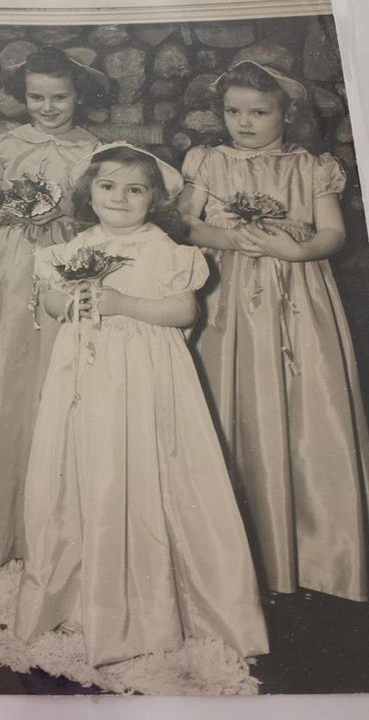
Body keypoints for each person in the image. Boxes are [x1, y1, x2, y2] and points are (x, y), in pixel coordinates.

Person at [15, 144, 269, 667]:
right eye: (108, 186)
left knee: (141, 465)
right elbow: (49, 300)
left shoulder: (165, 250)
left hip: (146, 376)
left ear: (154, 199)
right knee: (87, 465)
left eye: (135, 189)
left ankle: (153, 601)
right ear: (88, 194)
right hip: (84, 375)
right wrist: (69, 301)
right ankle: (79, 589)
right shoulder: (76, 245)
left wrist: (123, 304)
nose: (120, 197)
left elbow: (183, 312)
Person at [178, 60, 369, 600]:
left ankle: (317, 547)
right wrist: (228, 239)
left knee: (305, 399)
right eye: (233, 111)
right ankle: (230, 548)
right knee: (229, 397)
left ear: (288, 113)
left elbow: (333, 233)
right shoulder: (208, 161)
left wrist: (296, 249)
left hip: (298, 298)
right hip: (225, 296)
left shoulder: (312, 168)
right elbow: (185, 222)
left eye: (259, 112)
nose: (244, 122)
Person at [0, 48, 109, 567]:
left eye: (59, 97)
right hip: (6, 264)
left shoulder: (95, 151)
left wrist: (64, 210)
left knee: (55, 375)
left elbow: (102, 214)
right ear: (22, 97)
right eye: (36, 97)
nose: (47, 107)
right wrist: (14, 211)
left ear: (78, 96)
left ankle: (54, 532)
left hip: (65, 260)